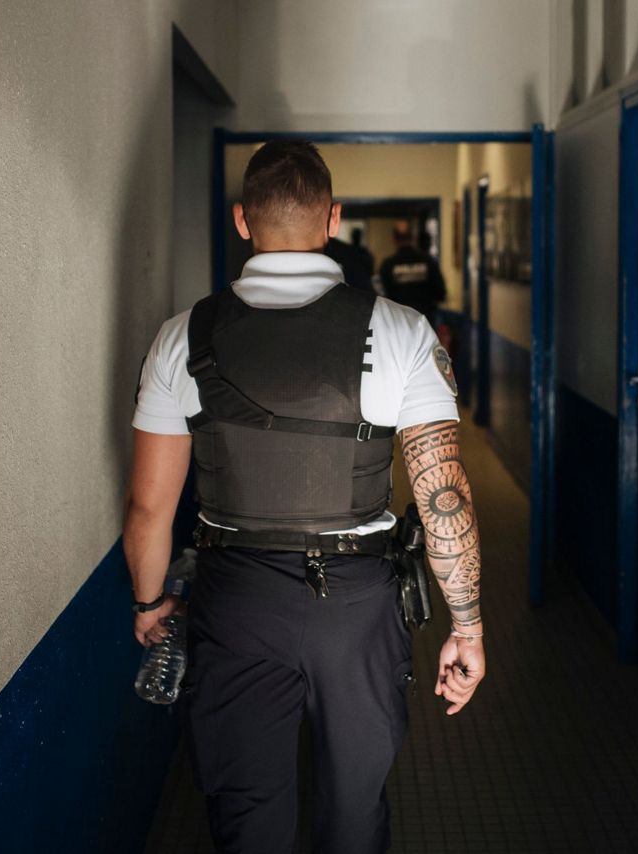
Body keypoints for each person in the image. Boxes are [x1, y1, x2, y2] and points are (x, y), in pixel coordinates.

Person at [125, 139, 486, 854]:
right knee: (355, 806)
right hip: (356, 603)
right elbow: (445, 497)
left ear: (241, 221)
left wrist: (148, 603)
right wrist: (467, 626)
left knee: (247, 812)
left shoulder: (182, 337)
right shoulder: (401, 330)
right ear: (333, 218)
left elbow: (148, 511)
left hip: (235, 600)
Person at [377, 221, 447, 323]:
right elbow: (441, 292)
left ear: (395, 239)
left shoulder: (388, 265)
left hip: (399, 321)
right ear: (412, 237)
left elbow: (382, 294)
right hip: (425, 320)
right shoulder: (428, 261)